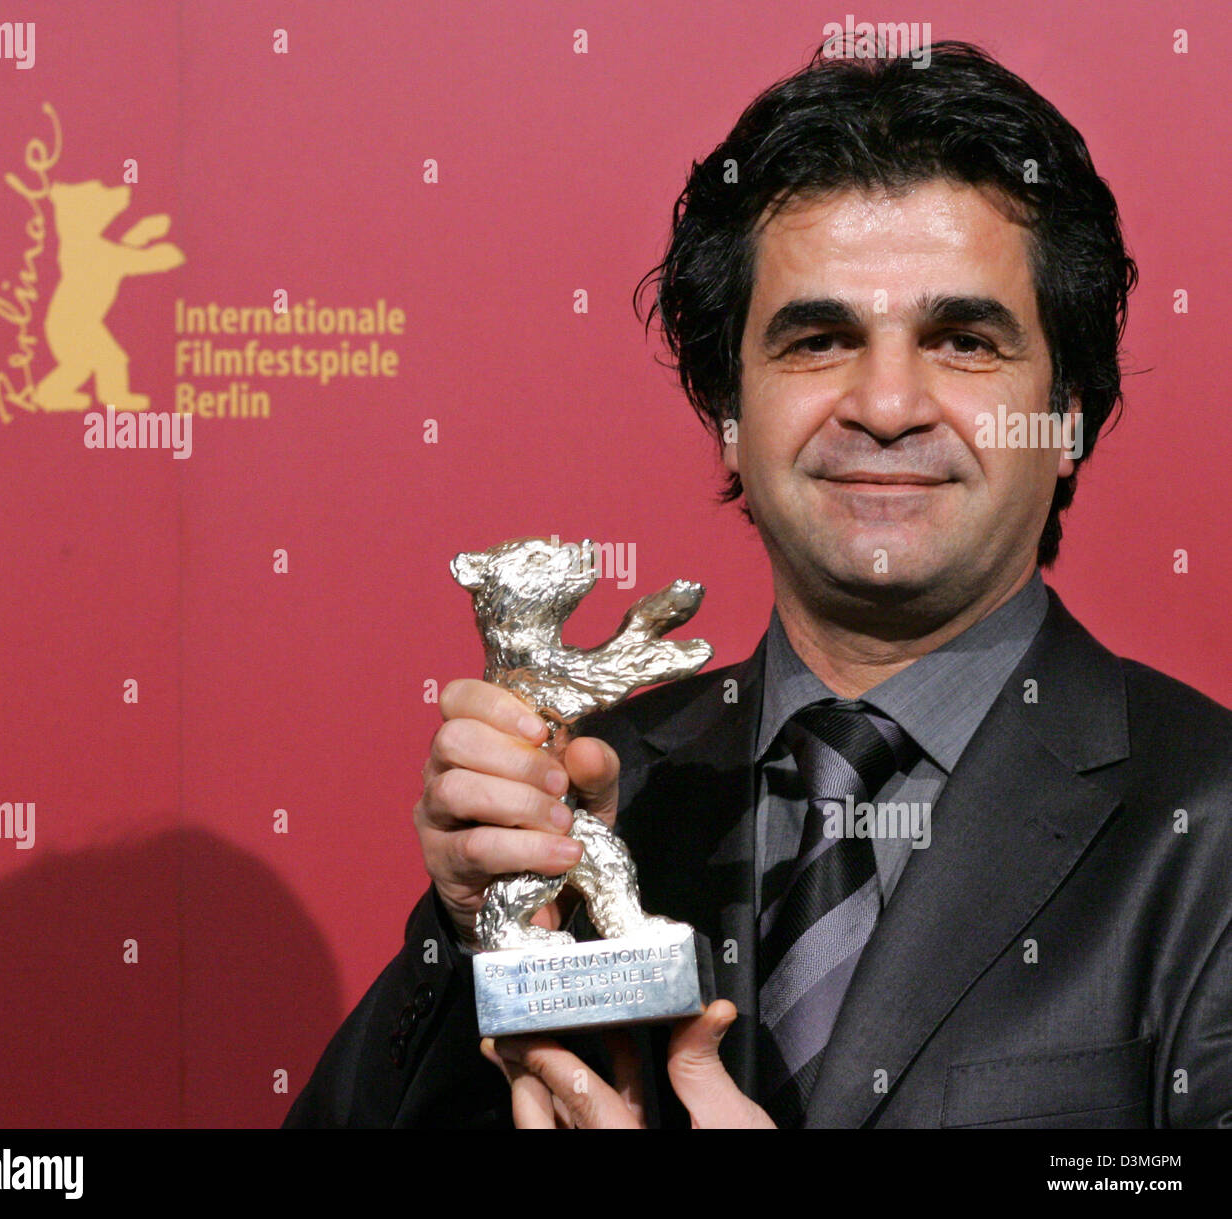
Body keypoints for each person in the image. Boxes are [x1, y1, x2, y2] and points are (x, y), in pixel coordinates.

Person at [284, 41, 1232, 1129]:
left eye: (962, 340)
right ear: (728, 419)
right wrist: (472, 933)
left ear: (1066, 416)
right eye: (819, 339)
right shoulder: (593, 792)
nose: (885, 403)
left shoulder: (1205, 823)